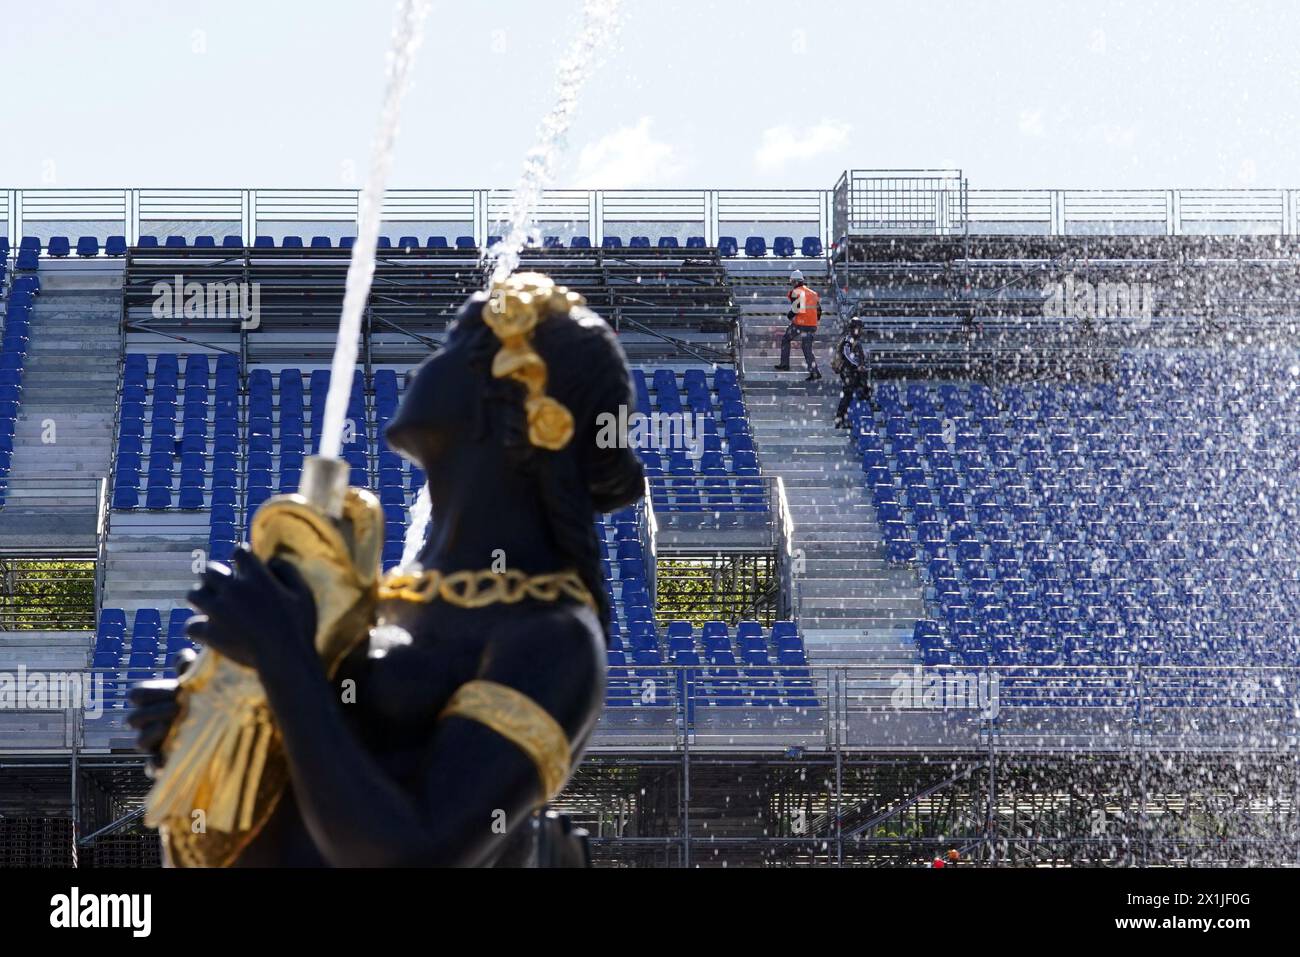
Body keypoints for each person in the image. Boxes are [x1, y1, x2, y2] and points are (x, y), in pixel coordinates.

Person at [128, 273, 646, 867]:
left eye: (453, 343)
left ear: (506, 392)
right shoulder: (392, 594)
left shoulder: (552, 637)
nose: (429, 361)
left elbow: (414, 854)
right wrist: (208, 721)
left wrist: (283, 659)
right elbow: (319, 760)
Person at [774, 269, 822, 381]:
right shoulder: (813, 293)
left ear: (795, 281)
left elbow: (796, 308)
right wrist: (814, 321)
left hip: (800, 324)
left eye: (792, 282)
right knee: (807, 348)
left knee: (786, 339)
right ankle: (815, 372)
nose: (791, 284)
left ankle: (785, 364)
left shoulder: (796, 292)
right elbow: (819, 310)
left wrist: (789, 316)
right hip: (811, 325)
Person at [832, 316, 871, 429]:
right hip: (848, 372)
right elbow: (847, 355)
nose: (861, 331)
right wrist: (858, 365)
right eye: (859, 328)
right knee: (847, 396)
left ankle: (844, 418)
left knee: (859, 390)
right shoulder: (848, 340)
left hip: (852, 372)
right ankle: (840, 419)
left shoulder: (854, 340)